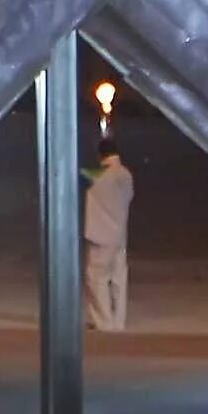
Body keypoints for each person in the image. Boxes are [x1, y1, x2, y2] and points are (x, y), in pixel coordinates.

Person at [84, 138, 134, 332]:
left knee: (97, 278)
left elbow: (75, 175)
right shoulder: (126, 174)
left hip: (101, 235)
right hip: (120, 234)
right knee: (119, 278)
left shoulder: (97, 174)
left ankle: (104, 322)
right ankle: (118, 321)